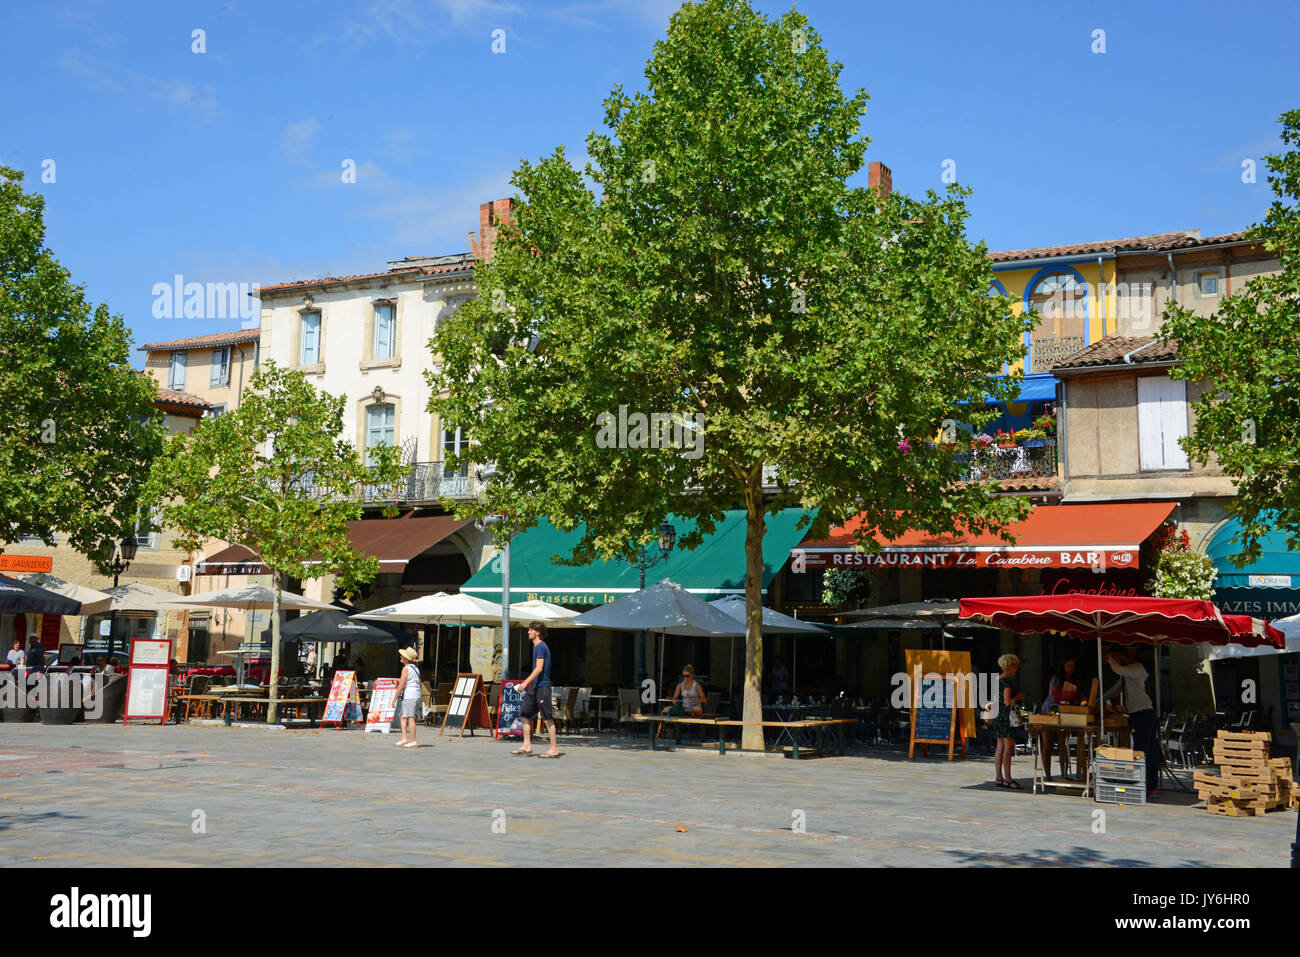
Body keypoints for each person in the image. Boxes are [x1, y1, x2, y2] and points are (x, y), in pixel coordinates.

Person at [1105, 646, 1159, 797]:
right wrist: (1098, 700)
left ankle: (1145, 785)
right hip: (1138, 714)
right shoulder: (1128, 671)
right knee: (1144, 750)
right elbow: (1116, 690)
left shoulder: (1136, 668)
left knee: (1142, 751)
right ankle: (1146, 785)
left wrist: (1110, 658)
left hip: (1143, 713)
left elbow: (1119, 670)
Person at [513, 621, 558, 757]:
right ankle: (527, 745)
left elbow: (539, 668)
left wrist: (525, 683)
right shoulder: (536, 647)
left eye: (530, 629)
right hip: (535, 687)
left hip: (543, 687)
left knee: (547, 718)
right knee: (524, 714)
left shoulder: (540, 647)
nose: (528, 632)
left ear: (537, 632)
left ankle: (554, 749)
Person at [1039, 657, 1081, 781]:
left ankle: (1064, 774)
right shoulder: (1056, 678)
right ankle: (1047, 775)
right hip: (1049, 710)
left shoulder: (1074, 679)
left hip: (1065, 711)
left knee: (1063, 744)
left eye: (1072, 666)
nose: (1070, 668)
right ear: (1063, 666)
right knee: (1047, 744)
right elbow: (1056, 693)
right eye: (1068, 665)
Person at [993, 653, 1027, 789]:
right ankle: (1008, 778)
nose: (1017, 669)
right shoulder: (1006, 681)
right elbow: (1007, 702)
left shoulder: (997, 679)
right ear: (1011, 667)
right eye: (1015, 666)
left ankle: (998, 777)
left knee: (1000, 746)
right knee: (1008, 748)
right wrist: (1018, 697)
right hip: (1006, 717)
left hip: (998, 716)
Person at [394, 647, 421, 748]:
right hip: (416, 694)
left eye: (403, 656)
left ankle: (413, 741)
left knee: (410, 718)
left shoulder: (405, 669)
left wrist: (395, 698)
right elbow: (418, 681)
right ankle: (404, 738)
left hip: (410, 695)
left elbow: (401, 685)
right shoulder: (415, 668)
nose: (401, 657)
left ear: (406, 659)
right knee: (402, 715)